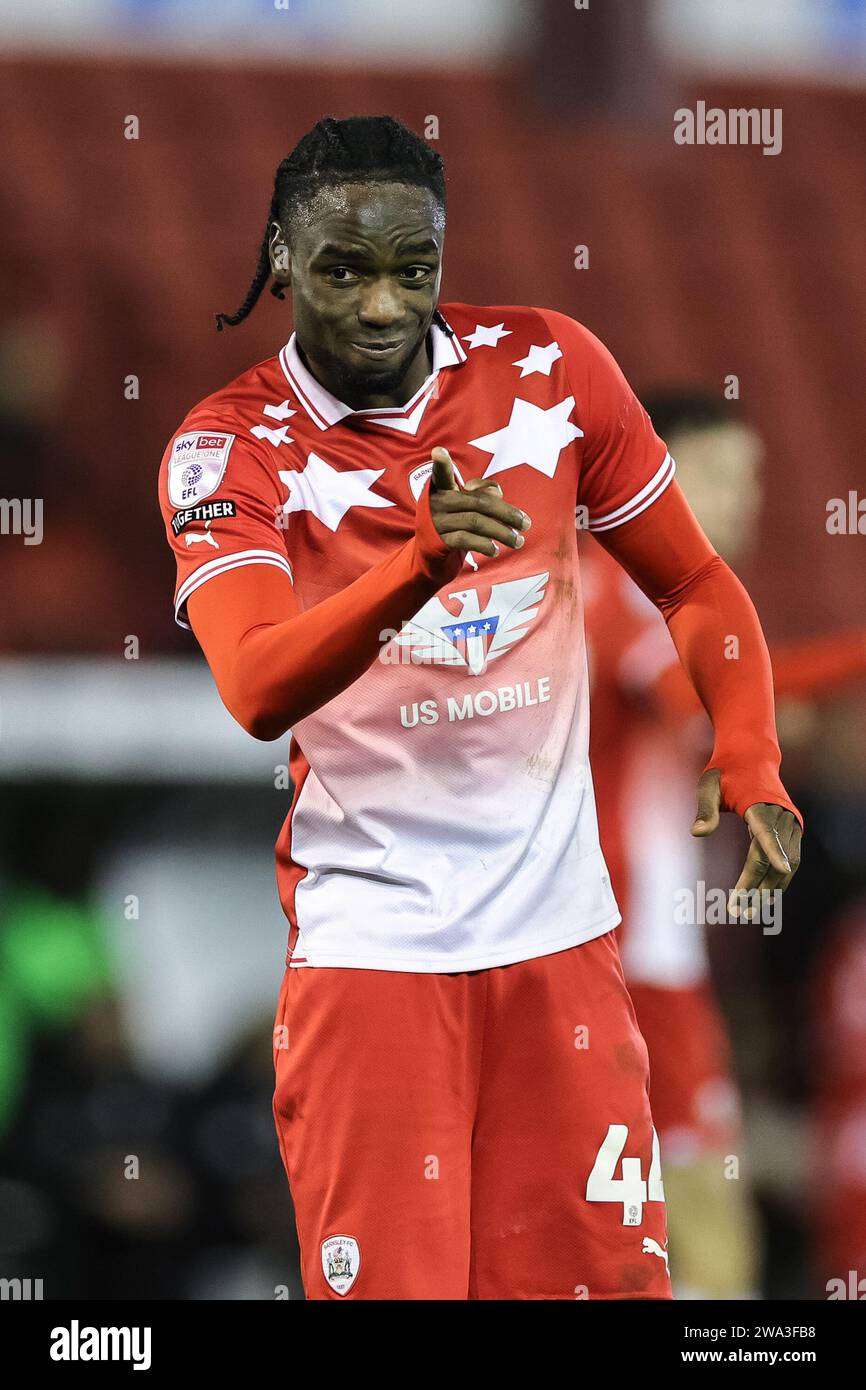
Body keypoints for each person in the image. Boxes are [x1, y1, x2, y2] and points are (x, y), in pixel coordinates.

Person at [157, 116, 801, 1300]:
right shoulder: (227, 447)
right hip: (375, 964)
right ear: (279, 258)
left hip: (563, 954)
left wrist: (747, 747)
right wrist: (415, 567)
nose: (382, 305)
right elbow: (253, 687)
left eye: (414, 268)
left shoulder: (551, 366)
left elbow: (694, 579)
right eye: (343, 269)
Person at [581, 390, 866, 1297]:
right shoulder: (612, 582)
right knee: (693, 1240)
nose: (747, 502)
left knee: (683, 1236)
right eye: (725, 476)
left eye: (753, 479)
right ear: (662, 472)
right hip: (625, 962)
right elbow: (685, 697)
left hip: (645, 958)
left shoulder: (650, 593)